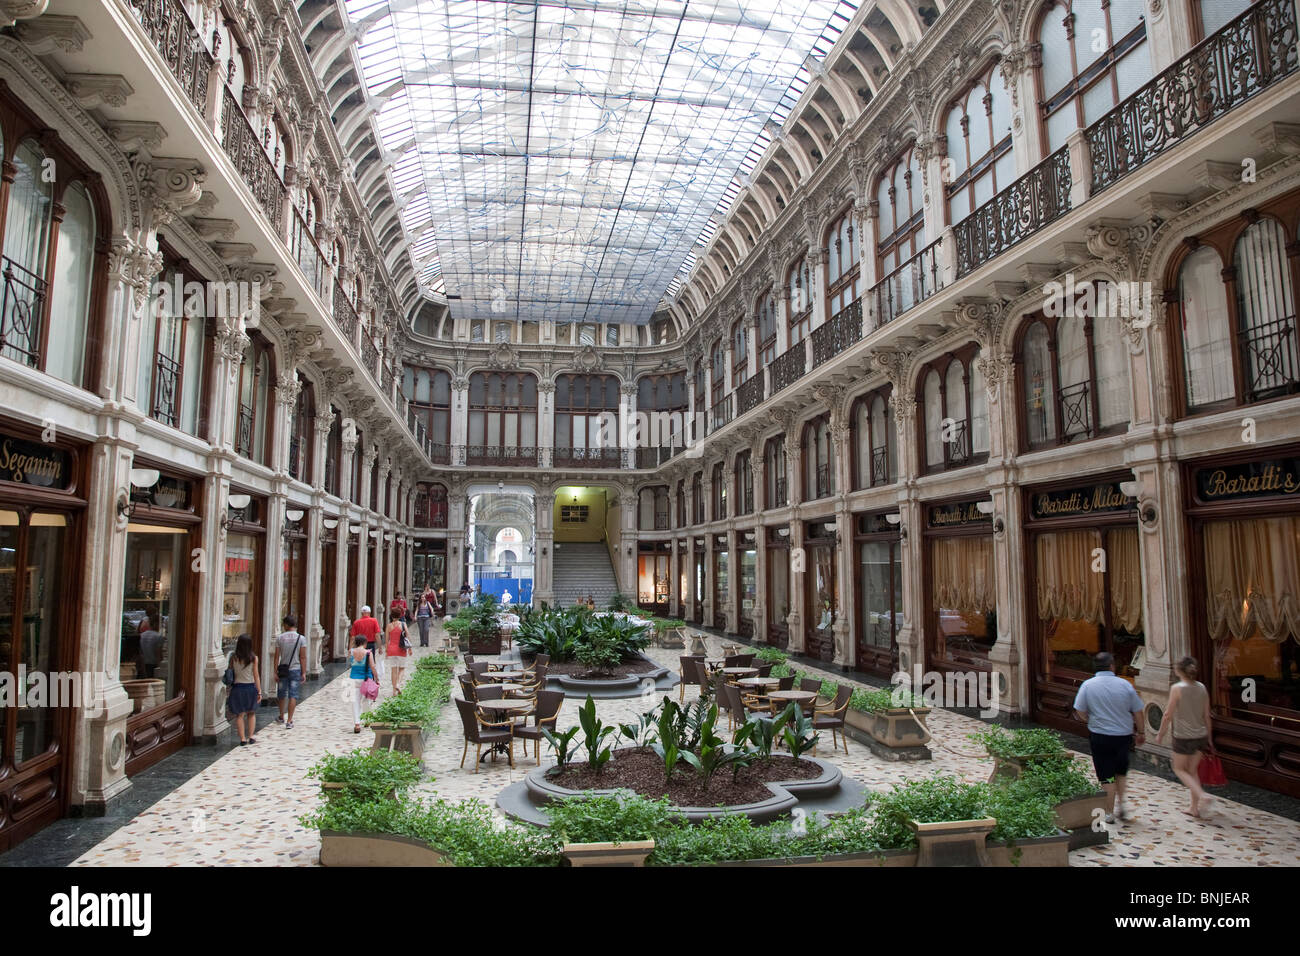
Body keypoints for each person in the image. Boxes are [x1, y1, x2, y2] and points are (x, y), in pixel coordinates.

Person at [1073, 651, 1145, 823]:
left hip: (1100, 736)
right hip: (1123, 736)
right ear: (1112, 666)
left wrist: (1089, 720)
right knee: (1120, 771)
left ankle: (1109, 812)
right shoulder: (1125, 685)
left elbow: (1079, 710)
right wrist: (1141, 732)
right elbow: (1137, 711)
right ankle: (1121, 804)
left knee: (1106, 773)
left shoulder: (1088, 686)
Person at [1155, 656, 1214, 819]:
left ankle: (1202, 796)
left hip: (1183, 737)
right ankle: (1194, 808)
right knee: (1192, 770)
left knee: (1179, 769)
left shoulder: (1177, 688)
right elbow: (1207, 715)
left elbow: (1167, 714)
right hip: (1200, 735)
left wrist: (1160, 733)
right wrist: (1209, 737)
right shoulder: (1202, 687)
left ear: (1179, 670)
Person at [273, 614, 307, 729]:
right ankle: (289, 720)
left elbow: (276, 656)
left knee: (282, 694)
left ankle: (281, 716)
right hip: (295, 670)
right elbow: (302, 657)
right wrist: (303, 672)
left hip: (283, 670)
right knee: (293, 695)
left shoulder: (280, 638)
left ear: (286, 625)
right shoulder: (301, 638)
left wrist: (274, 671)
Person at [226, 634, 260, 746]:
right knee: (251, 713)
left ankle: (242, 739)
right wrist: (259, 691)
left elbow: (231, 672)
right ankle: (251, 736)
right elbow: (256, 676)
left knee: (240, 715)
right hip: (250, 688)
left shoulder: (234, 658)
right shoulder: (253, 658)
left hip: (237, 688)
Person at [347, 635, 377, 734]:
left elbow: (349, 653)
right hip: (366, 679)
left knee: (355, 701)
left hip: (353, 679)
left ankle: (357, 724)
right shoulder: (368, 653)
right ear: (365, 643)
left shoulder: (351, 652)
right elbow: (372, 667)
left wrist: (352, 642)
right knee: (366, 700)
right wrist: (376, 678)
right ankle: (367, 719)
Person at [385, 608, 409, 695]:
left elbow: (387, 640)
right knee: (402, 668)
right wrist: (410, 649)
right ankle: (398, 684)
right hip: (401, 649)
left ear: (391, 616)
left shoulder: (389, 626)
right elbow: (407, 636)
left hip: (391, 649)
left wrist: (386, 651)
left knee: (393, 670)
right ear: (400, 616)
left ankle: (394, 691)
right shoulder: (403, 624)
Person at [138, 613, 162, 680]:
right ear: (155, 624)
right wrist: (159, 666)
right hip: (153, 665)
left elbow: (140, 653)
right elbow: (158, 653)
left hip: (143, 665)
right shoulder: (158, 636)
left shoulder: (142, 635)